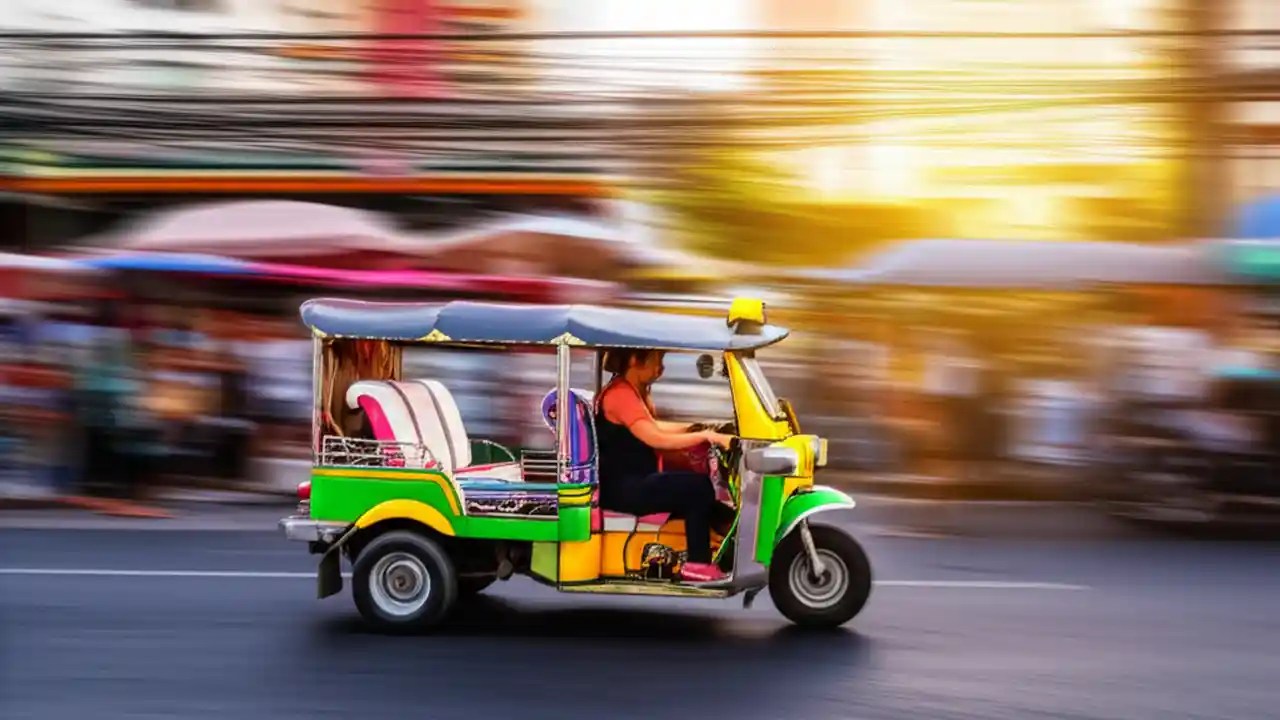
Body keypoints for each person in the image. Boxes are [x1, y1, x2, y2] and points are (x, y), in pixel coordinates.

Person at [594, 348, 736, 585]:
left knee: (707, 501)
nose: (661, 367)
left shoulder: (633, 392)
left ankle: (726, 550)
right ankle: (698, 565)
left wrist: (699, 428)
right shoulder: (620, 395)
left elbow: (654, 426)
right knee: (697, 488)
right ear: (633, 360)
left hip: (634, 480)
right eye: (657, 359)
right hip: (624, 487)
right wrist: (705, 437)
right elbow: (655, 438)